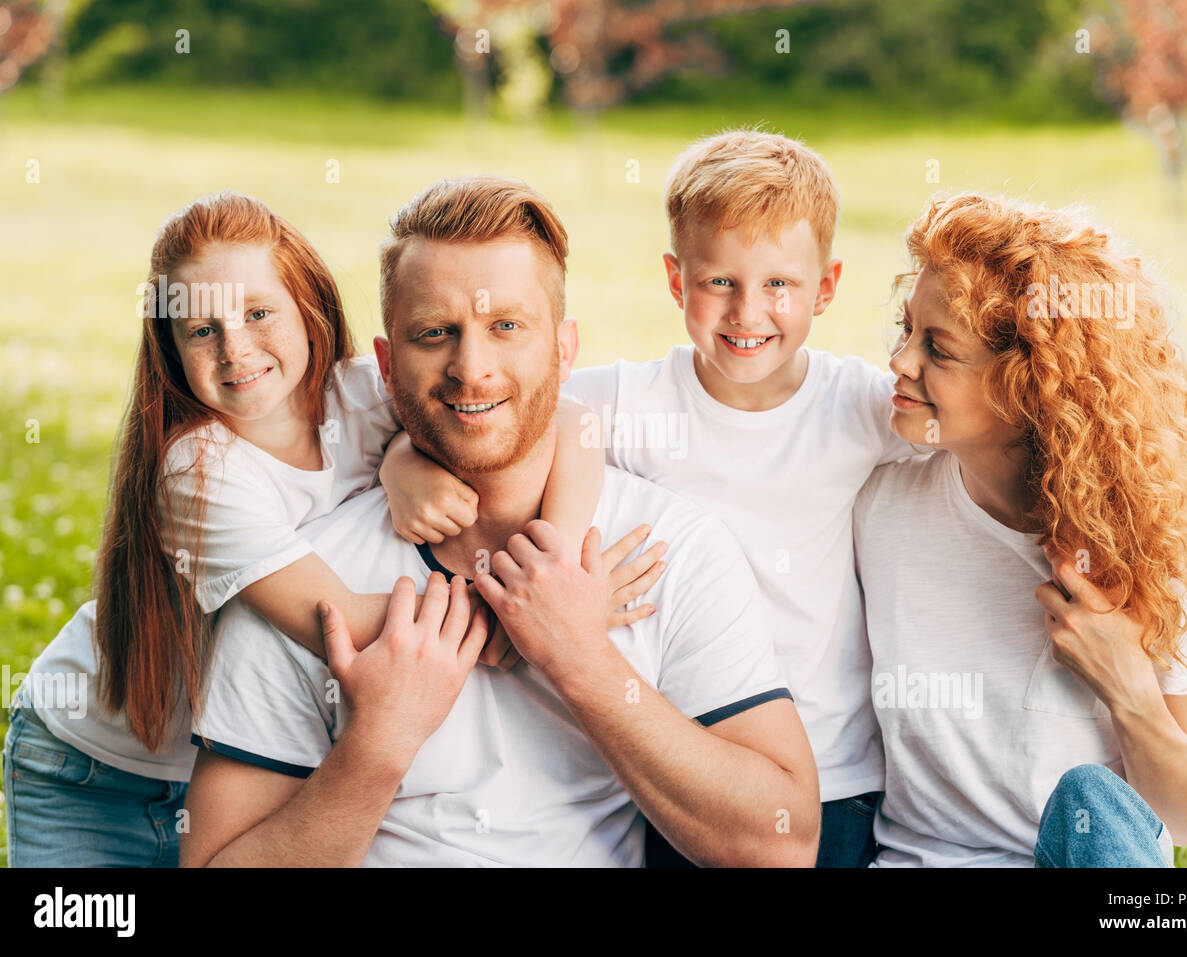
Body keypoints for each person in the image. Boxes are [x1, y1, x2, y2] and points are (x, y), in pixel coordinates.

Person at [180, 175, 822, 867]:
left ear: (566, 348)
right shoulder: (300, 581)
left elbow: (779, 844)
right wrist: (378, 745)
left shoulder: (667, 549)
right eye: (436, 334)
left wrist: (579, 655)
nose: (472, 369)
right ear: (388, 366)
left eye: (507, 327)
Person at [5, 191, 646, 867]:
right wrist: (547, 614)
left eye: (258, 313)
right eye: (201, 331)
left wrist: (557, 560)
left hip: (239, 771)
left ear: (307, 308)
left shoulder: (360, 393)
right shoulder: (197, 470)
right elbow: (340, 622)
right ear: (170, 348)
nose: (235, 349)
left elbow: (568, 419)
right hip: (98, 770)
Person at [382, 129, 915, 867]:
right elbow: (521, 412)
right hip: (671, 741)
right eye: (719, 282)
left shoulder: (855, 404)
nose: (747, 313)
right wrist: (404, 461)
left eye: (779, 286)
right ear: (676, 281)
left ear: (825, 288)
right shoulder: (637, 396)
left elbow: (965, 417)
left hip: (829, 771)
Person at [853, 192, 1187, 867]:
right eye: (904, 327)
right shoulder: (881, 496)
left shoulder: (1157, 546)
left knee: (1089, 798)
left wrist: (1128, 686)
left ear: (1030, 385)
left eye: (938, 349)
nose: (899, 360)